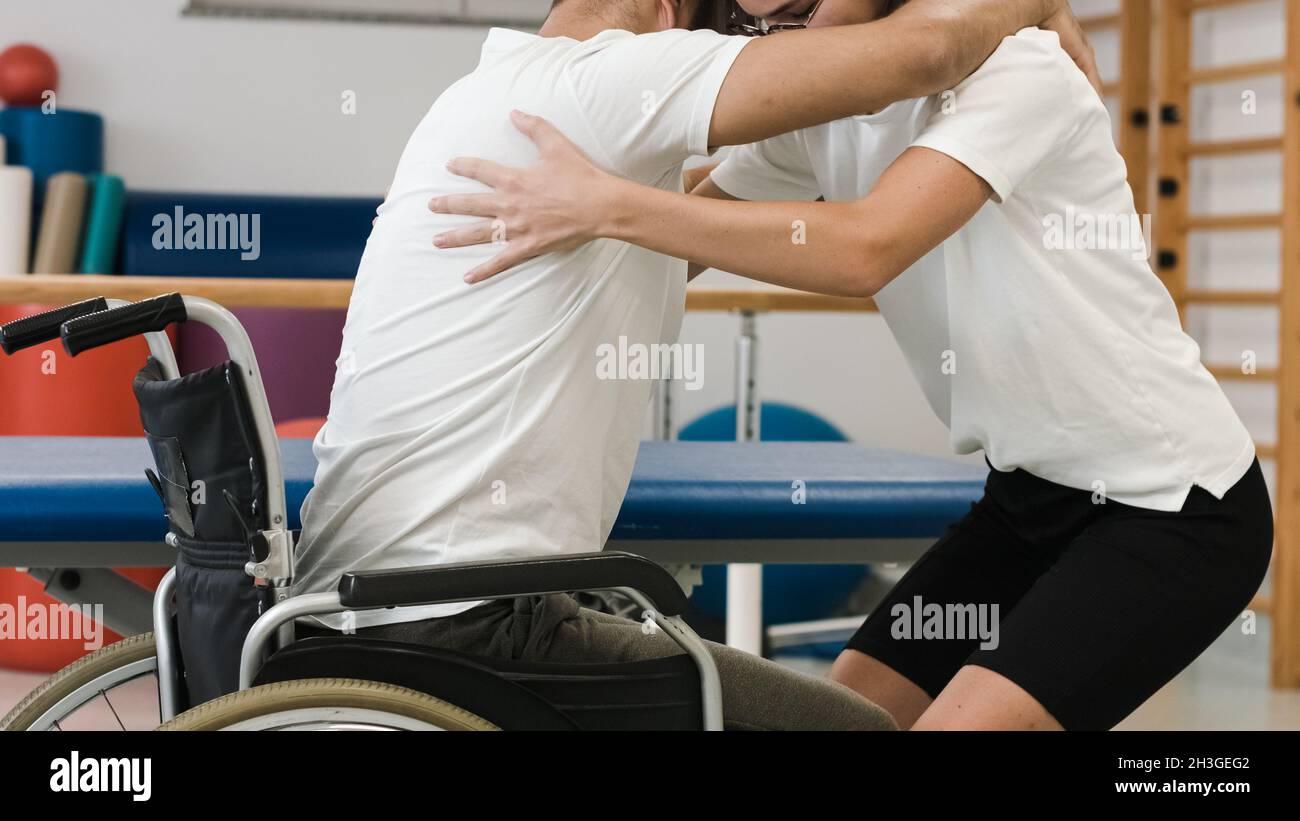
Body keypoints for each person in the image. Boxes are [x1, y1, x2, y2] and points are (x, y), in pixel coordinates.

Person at [427, 0, 1274, 731]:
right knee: (846, 719)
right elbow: (675, 244)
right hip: (1026, 502)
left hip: (1172, 509)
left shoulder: (1021, 73)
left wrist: (611, 206)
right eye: (762, 25)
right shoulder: (828, 115)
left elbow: (866, 246)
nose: (784, 40)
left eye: (799, 13)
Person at [293, 0, 1100, 731]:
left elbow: (689, 222)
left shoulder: (480, 98)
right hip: (471, 629)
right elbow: (922, 51)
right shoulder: (610, 78)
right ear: (667, 13)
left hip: (347, 607)